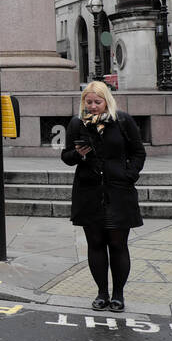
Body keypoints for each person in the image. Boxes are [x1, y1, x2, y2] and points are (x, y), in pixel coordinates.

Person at [62, 81, 145, 313]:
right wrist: (78, 154)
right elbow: (66, 157)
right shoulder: (77, 123)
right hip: (89, 192)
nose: (92, 106)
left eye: (97, 102)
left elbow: (138, 152)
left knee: (118, 244)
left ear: (106, 100)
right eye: (88, 102)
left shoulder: (122, 121)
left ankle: (118, 295)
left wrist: (129, 175)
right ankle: (102, 293)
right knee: (96, 243)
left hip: (119, 191)